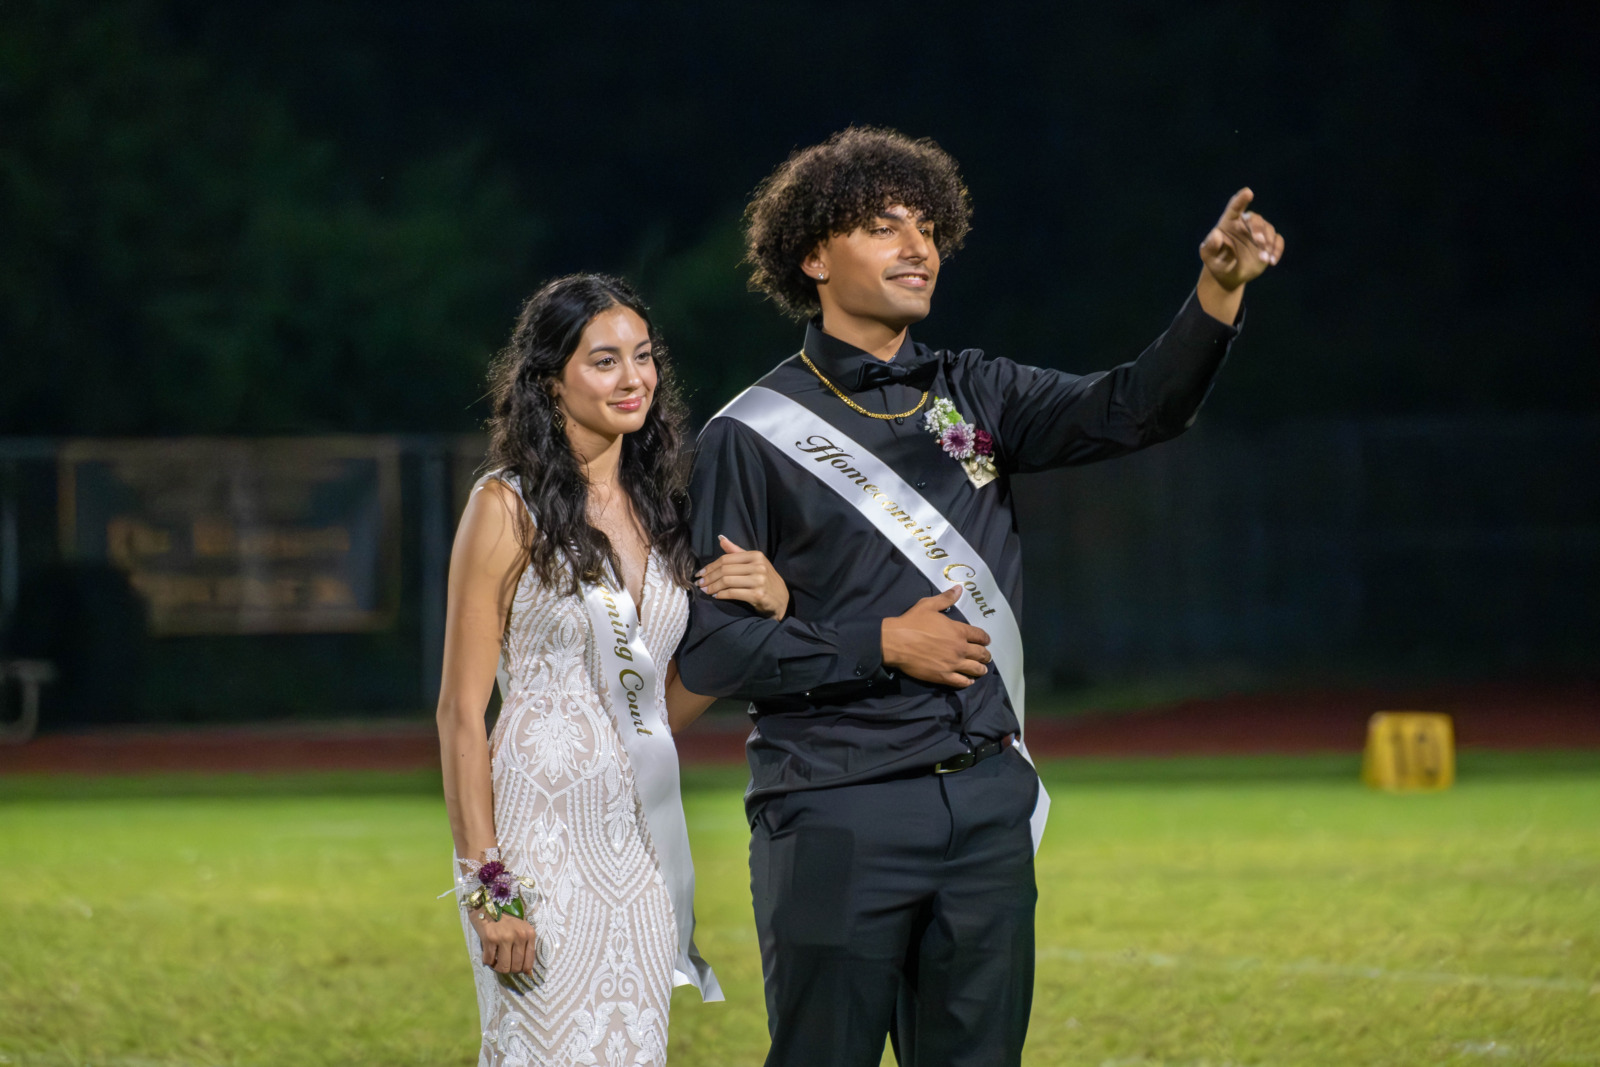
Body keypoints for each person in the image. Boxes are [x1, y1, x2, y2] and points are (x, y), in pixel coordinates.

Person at [676, 127, 1283, 1066]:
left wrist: (1220, 291)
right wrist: (882, 641)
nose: (918, 247)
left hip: (986, 805)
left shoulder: (978, 389)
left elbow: (1135, 408)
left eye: (927, 227)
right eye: (884, 227)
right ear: (812, 256)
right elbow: (713, 654)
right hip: (836, 806)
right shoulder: (748, 435)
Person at [435, 273, 790, 1066]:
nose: (633, 378)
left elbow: (656, 708)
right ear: (548, 379)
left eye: (642, 356)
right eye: (603, 360)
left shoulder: (666, 512)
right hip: (534, 844)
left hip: (636, 846)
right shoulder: (505, 507)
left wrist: (772, 594)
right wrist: (489, 888)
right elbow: (459, 714)